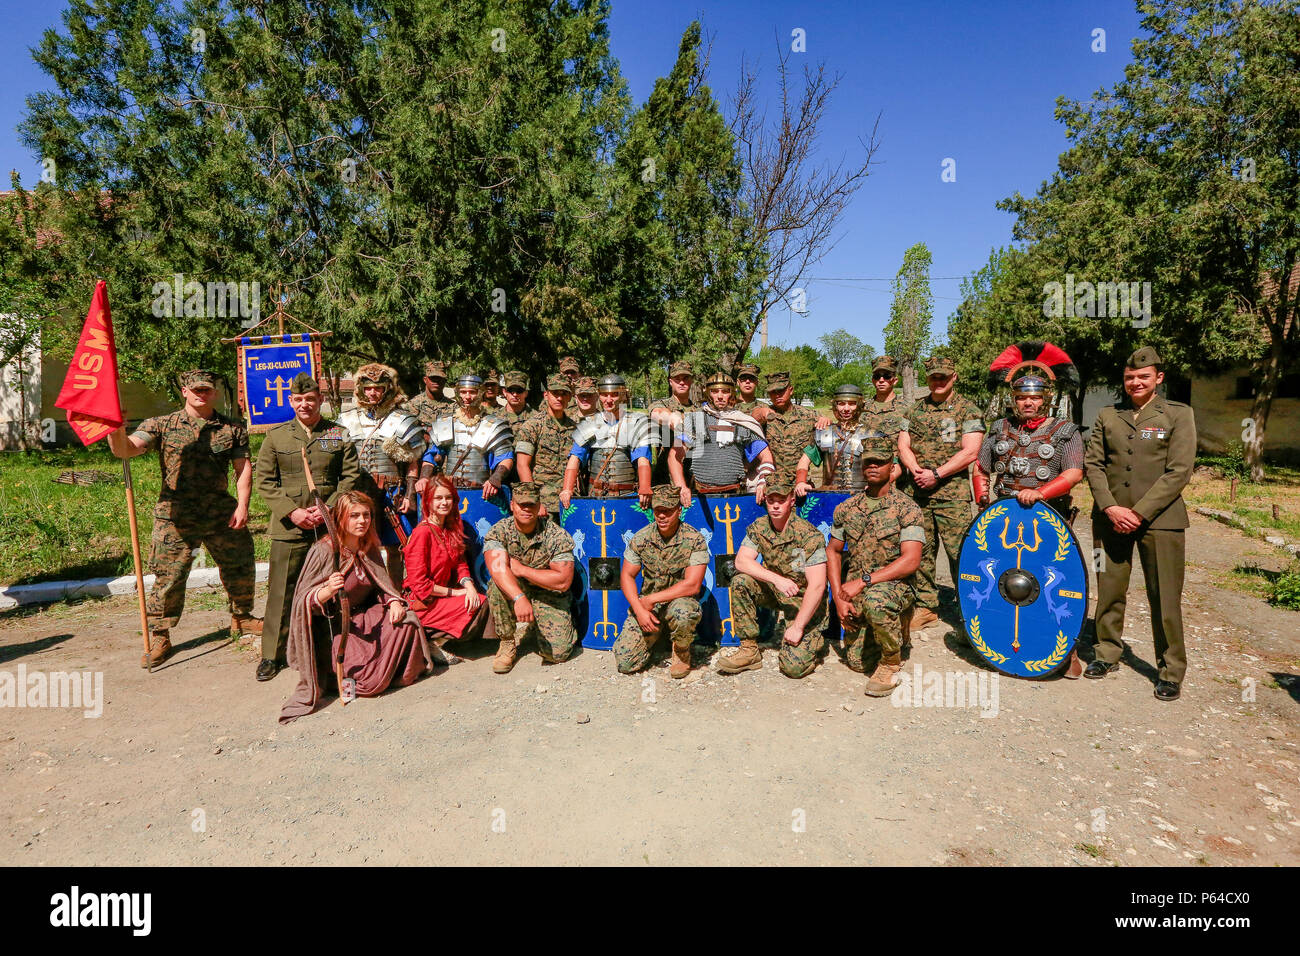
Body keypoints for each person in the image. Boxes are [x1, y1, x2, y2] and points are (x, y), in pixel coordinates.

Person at [107, 368, 260, 668]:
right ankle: (160, 634)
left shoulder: (232, 427)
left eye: (207, 389)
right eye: (196, 390)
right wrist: (115, 430)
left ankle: (241, 617)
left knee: (240, 561)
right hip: (175, 513)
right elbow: (126, 450)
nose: (202, 394)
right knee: (169, 576)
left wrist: (242, 505)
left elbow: (243, 469)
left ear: (214, 392)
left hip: (219, 510)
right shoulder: (162, 425)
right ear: (185, 392)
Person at [1085, 347, 1196, 701]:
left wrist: (1139, 512)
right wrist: (1111, 508)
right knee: (1108, 588)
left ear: (1158, 378)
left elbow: (1179, 470)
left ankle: (1171, 669)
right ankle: (1106, 653)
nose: (1136, 382)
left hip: (1161, 521)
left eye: (1144, 377)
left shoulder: (1178, 414)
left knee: (1164, 596)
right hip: (1109, 520)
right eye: (1130, 377)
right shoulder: (1108, 414)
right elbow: (1094, 465)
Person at [279, 491, 435, 722]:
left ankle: (392, 670)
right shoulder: (324, 551)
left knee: (407, 622)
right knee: (368, 679)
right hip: (335, 629)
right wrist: (327, 591)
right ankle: (366, 675)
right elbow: (303, 601)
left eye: (366, 515)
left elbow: (382, 584)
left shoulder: (368, 546)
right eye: (354, 516)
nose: (362, 521)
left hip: (367, 617)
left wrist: (393, 601)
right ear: (341, 518)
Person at [254, 373, 361, 682]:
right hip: (290, 528)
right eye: (299, 400)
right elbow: (265, 481)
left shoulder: (337, 434)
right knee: (281, 591)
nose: (305, 404)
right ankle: (271, 655)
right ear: (291, 402)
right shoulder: (276, 437)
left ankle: (326, 645)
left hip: (328, 526)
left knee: (332, 585)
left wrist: (330, 506)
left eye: (310, 399)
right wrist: (293, 512)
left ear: (321, 400)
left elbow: (350, 476)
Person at [827, 439, 925, 697]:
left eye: (879, 462)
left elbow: (911, 560)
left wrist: (863, 582)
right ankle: (883, 632)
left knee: (876, 602)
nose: (872, 467)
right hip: (856, 590)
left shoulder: (907, 508)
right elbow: (833, 551)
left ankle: (891, 662)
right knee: (857, 663)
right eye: (867, 462)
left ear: (892, 468)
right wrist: (839, 597)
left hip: (893, 588)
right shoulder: (847, 508)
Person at [897, 354, 985, 631]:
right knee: (921, 550)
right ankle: (926, 606)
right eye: (934, 376)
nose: (938, 380)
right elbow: (903, 446)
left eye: (943, 376)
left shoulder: (968, 410)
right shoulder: (914, 410)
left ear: (954, 377)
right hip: (918, 492)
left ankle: (970, 608)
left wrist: (937, 474)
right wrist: (916, 470)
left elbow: (971, 451)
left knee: (961, 552)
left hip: (952, 494)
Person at [726, 475, 829, 677]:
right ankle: (749, 650)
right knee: (740, 581)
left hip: (803, 599)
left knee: (792, 668)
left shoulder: (808, 535)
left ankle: (812, 641)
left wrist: (798, 627)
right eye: (771, 500)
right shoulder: (760, 527)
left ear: (791, 501)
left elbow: (817, 586)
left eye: (781, 501)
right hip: (777, 590)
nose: (775, 506)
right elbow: (741, 561)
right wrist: (777, 579)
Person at [336, 363, 426, 582]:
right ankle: (362, 592)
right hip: (356, 494)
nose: (373, 392)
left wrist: (410, 495)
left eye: (378, 387)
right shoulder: (346, 420)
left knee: (396, 546)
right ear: (360, 389)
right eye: (368, 388)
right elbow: (332, 459)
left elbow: (413, 462)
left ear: (387, 388)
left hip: (390, 494)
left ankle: (394, 592)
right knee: (355, 544)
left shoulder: (402, 420)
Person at [482, 481, 578, 673]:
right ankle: (507, 642)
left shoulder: (556, 535)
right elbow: (497, 568)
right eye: (521, 504)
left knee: (557, 654)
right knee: (497, 584)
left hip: (548, 594)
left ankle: (543, 625)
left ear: (539, 505)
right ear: (512, 505)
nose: (526, 509)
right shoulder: (499, 531)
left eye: (531, 504)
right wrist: (519, 597)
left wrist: (523, 570)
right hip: (518, 591)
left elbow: (563, 581)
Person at [614, 484, 707, 678]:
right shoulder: (641, 538)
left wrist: (651, 599)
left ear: (679, 511)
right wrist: (640, 610)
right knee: (625, 662)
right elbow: (627, 576)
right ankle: (654, 640)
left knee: (683, 612)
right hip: (649, 607)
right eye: (658, 511)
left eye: (667, 511)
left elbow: (692, 584)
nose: (662, 516)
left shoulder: (694, 539)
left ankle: (681, 651)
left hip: (679, 601)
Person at [403, 475, 489, 661]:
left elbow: (459, 563)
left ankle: (439, 642)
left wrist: (469, 586)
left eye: (448, 497)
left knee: (479, 600)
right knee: (477, 605)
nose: (444, 502)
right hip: (423, 604)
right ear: (428, 501)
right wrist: (455, 593)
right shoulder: (422, 533)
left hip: (439, 597)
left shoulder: (450, 528)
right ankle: (430, 640)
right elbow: (420, 585)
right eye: (438, 498)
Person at [669, 370, 775, 508]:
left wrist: (763, 480)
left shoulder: (742, 422)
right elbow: (674, 456)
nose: (720, 396)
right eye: (715, 391)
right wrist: (681, 487)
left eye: (725, 391)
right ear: (708, 393)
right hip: (700, 496)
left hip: (735, 496)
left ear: (732, 393)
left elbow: (766, 456)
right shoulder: (696, 420)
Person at [562, 374, 654, 509]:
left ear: (623, 395)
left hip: (627, 496)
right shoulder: (589, 423)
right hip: (595, 496)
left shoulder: (636, 423)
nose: (608, 400)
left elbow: (642, 459)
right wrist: (567, 489)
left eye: (614, 395)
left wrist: (645, 486)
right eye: (604, 395)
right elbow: (575, 458)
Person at [417, 373, 514, 501]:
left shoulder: (494, 425)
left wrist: (495, 478)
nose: (467, 397)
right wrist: (424, 477)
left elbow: (505, 458)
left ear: (480, 393)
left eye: (472, 392)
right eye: (463, 392)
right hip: (449, 492)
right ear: (458, 393)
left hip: (481, 491)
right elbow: (431, 456)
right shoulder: (445, 423)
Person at [797, 384, 900, 493]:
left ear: (860, 405)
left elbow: (896, 468)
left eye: (852, 404)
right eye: (841, 404)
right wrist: (800, 482)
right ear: (835, 406)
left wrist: (879, 485)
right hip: (829, 497)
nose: (846, 409)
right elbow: (804, 462)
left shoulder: (873, 435)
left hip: (863, 496)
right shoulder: (824, 434)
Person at [514, 374, 576, 514]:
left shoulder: (575, 429)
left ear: (570, 397)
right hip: (543, 503)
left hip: (571, 502)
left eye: (564, 393)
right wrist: (534, 500)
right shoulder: (532, 426)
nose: (559, 398)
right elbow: (522, 465)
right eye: (555, 393)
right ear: (546, 395)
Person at [753, 371, 819, 485]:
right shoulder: (766, 415)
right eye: (773, 392)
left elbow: (829, 431)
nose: (777, 395)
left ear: (791, 390)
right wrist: (761, 412)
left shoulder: (809, 415)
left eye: (781, 391)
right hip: (772, 485)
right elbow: (753, 417)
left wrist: (825, 421)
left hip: (800, 483)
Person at [648, 360, 699, 484]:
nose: (681, 382)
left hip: (695, 479)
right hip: (666, 481)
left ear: (691, 380)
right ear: (671, 382)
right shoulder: (661, 405)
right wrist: (672, 419)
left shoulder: (699, 411)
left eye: (685, 378)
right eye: (677, 379)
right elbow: (657, 413)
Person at [861, 355, 907, 446]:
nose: (881, 380)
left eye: (887, 376)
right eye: (877, 376)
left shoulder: (907, 410)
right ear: (873, 380)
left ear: (895, 380)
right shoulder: (861, 408)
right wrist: (825, 420)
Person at [404, 359, 453, 426]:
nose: (436, 382)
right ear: (425, 380)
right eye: (432, 378)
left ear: (445, 381)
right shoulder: (413, 405)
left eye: (439, 378)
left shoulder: (454, 407)